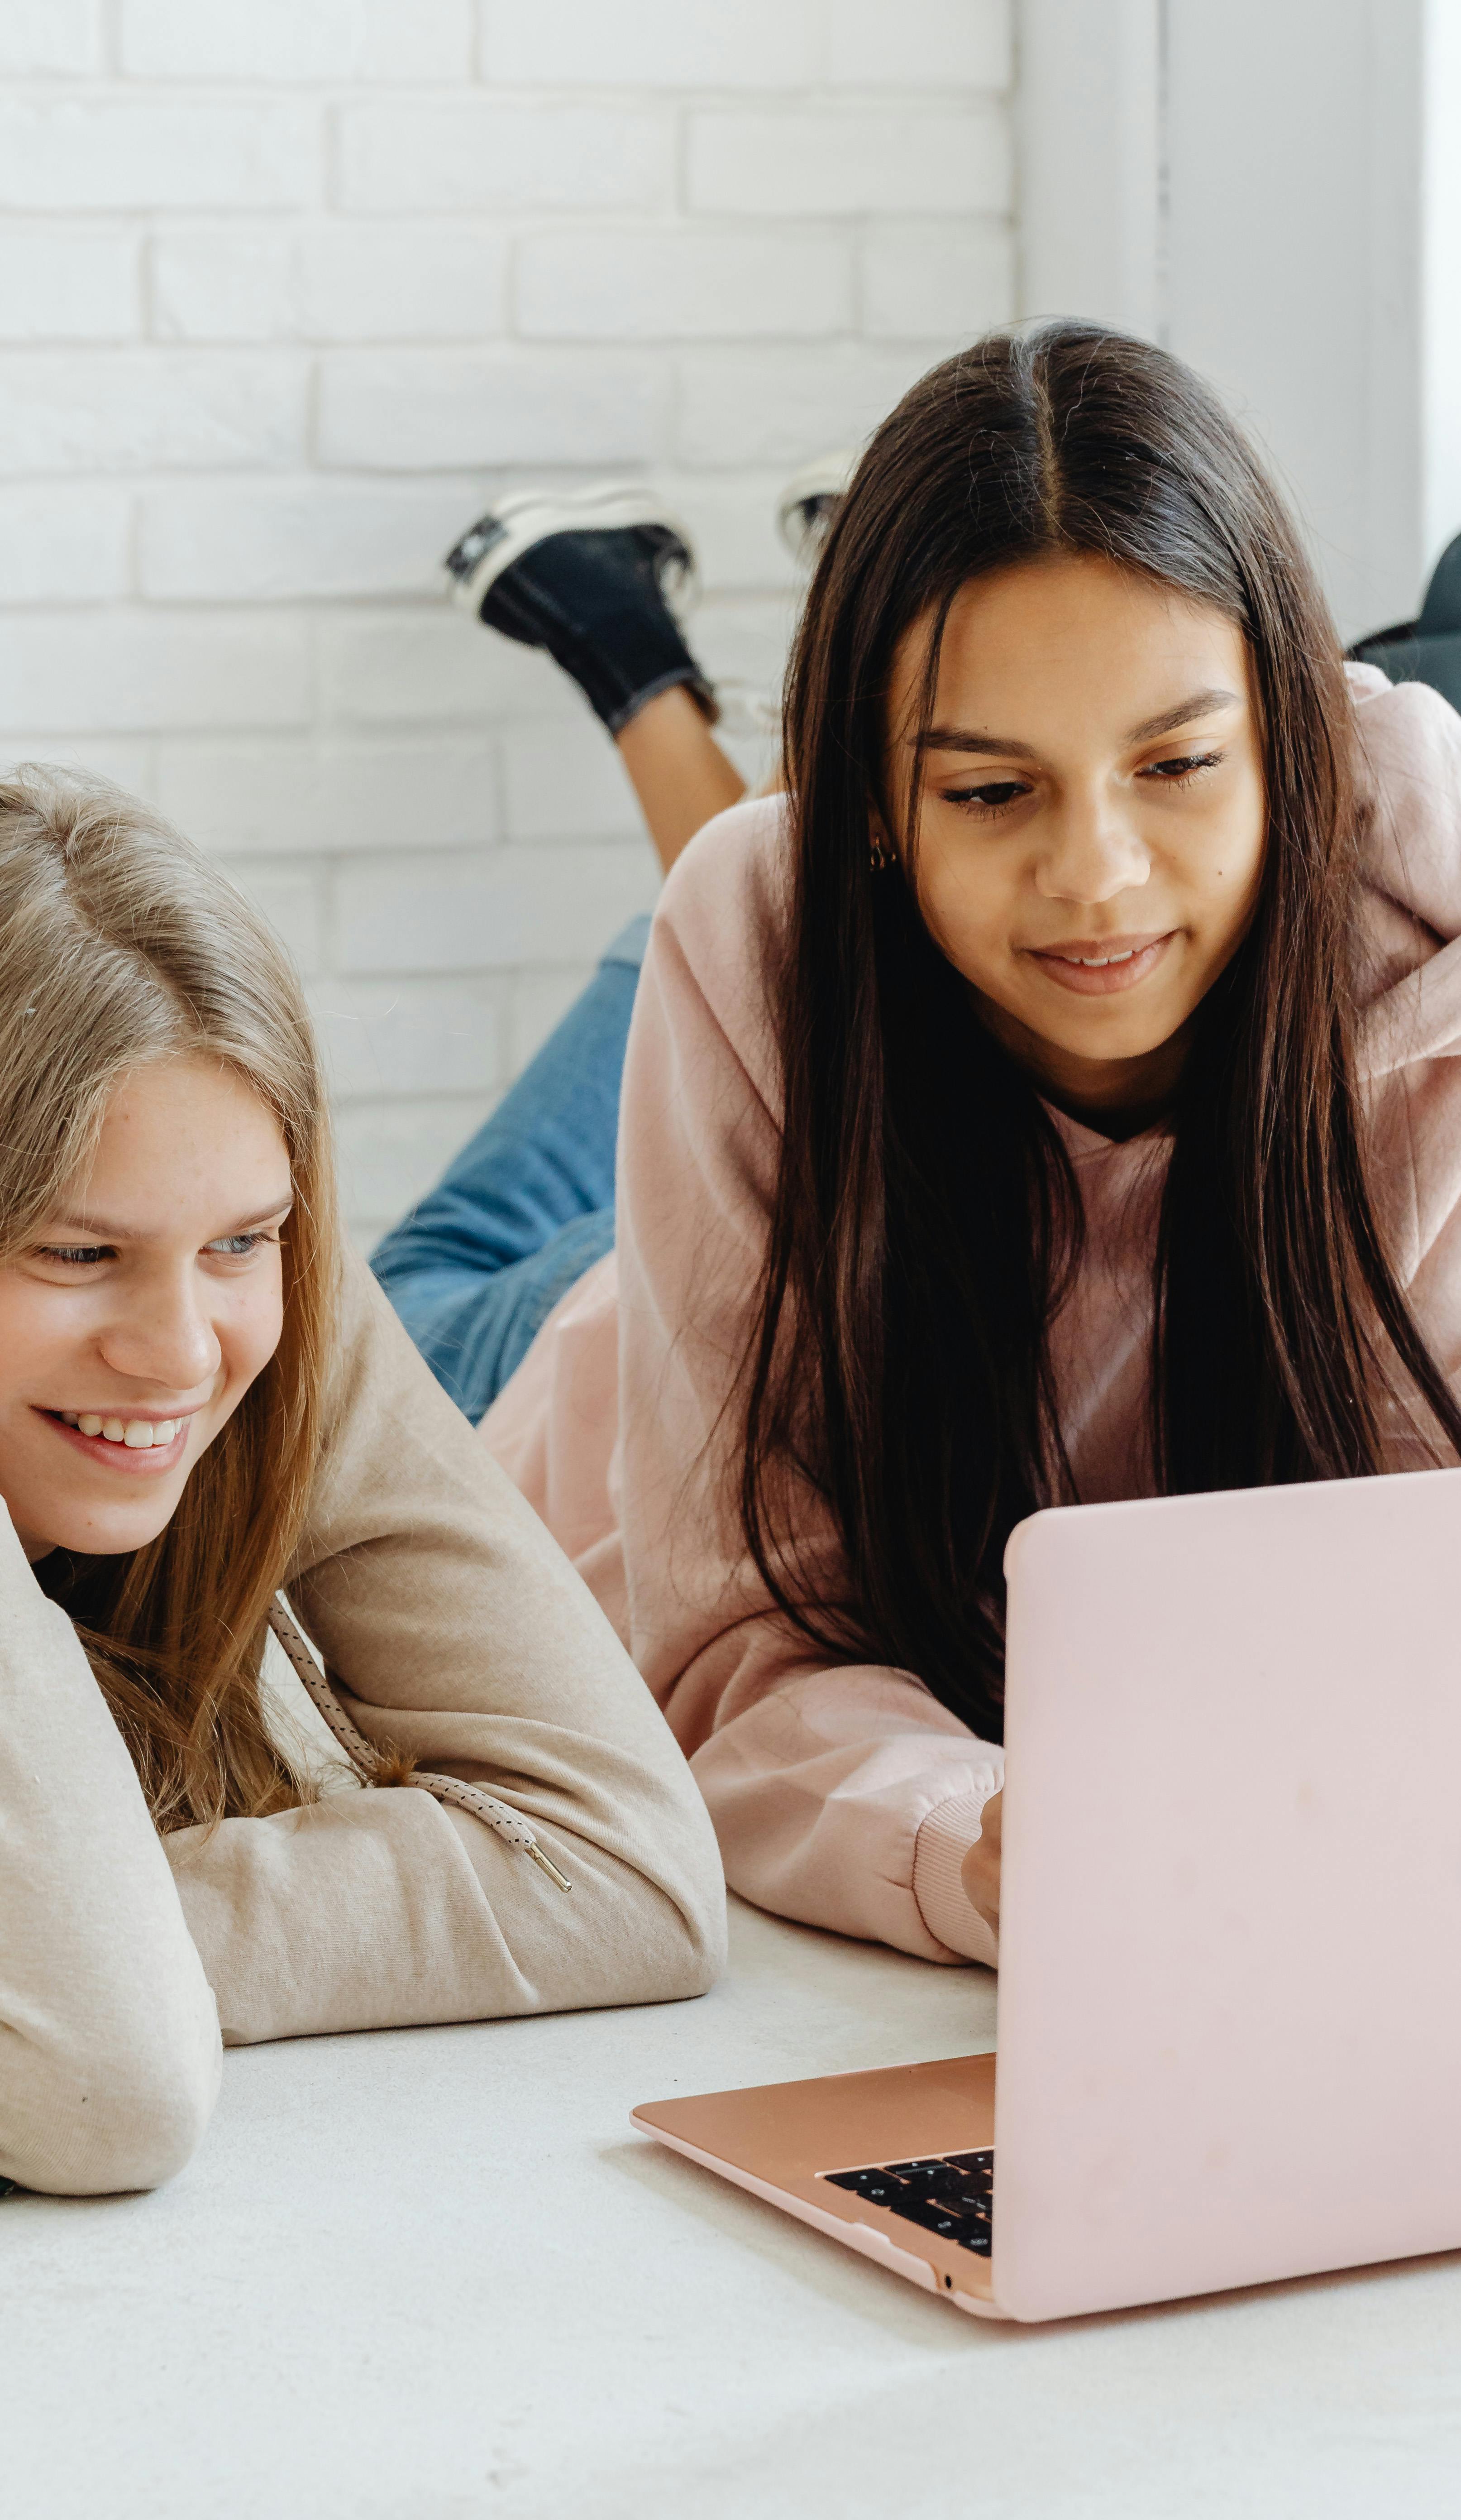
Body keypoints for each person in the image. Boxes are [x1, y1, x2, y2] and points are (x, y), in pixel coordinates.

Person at [374, 320, 1461, 1972]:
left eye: (1174, 765)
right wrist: (978, 1845)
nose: (1097, 871)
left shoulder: (1409, 946)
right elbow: (741, 1636)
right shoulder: (765, 924)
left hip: (864, 1019)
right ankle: (637, 657)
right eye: (987, 788)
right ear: (878, 800)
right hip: (601, 1404)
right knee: (419, 1290)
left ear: (1287, 742)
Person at [0, 772, 726, 2191]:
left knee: (503, 1251)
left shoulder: (235, 1276)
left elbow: (628, 1871)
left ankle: (688, 900)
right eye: (72, 1253)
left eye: (246, 1239)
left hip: (449, 1372)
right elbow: (90, 2080)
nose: (176, 1351)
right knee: (536, 1243)